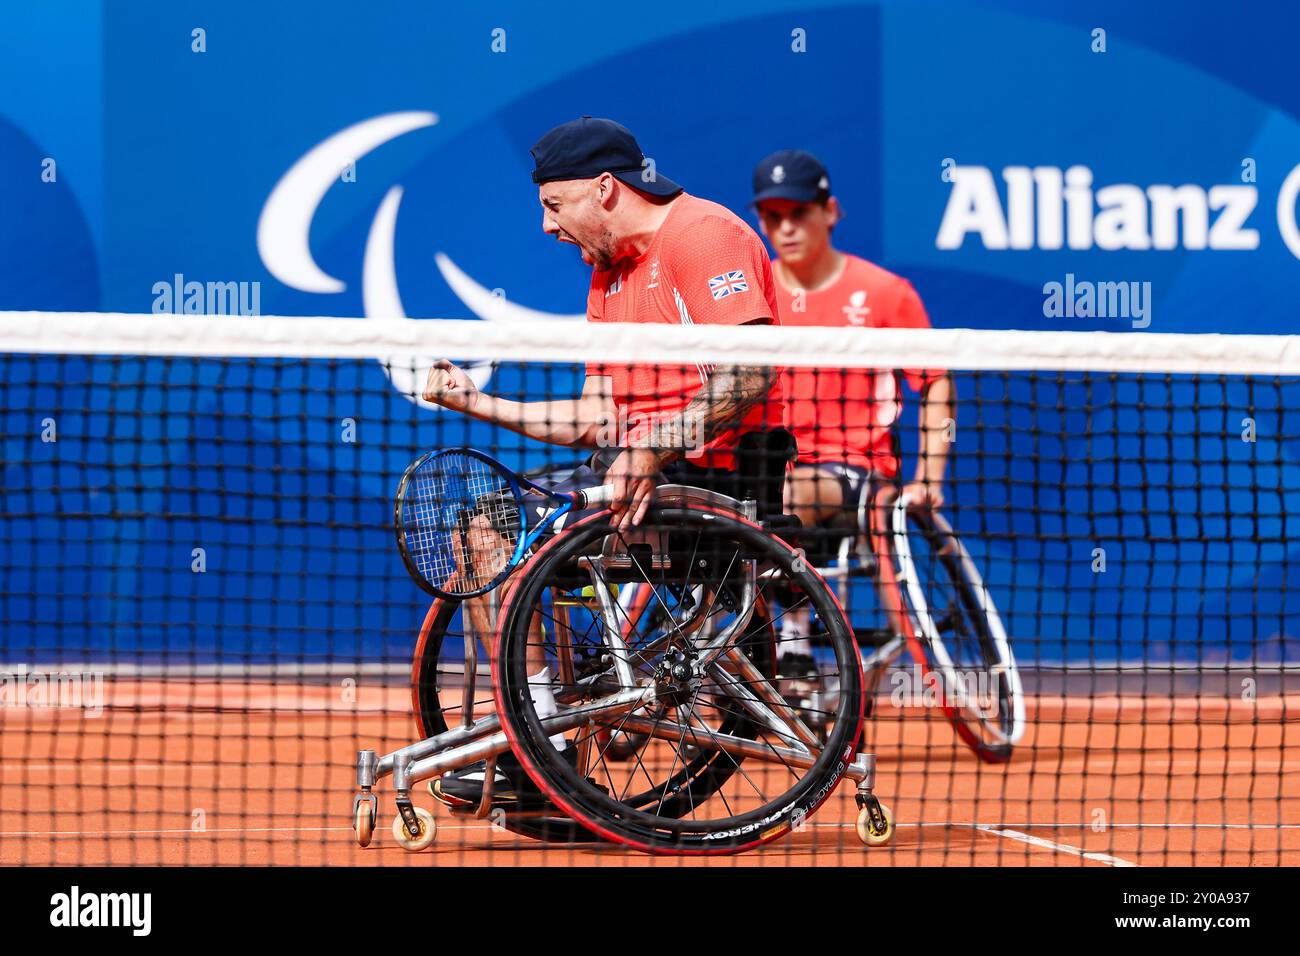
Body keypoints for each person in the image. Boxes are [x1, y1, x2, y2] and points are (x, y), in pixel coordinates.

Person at [422, 117, 792, 808]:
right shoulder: (607, 276)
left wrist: (651, 446)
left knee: (503, 531)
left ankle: (539, 745)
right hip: (638, 480)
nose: (546, 227)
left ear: (605, 188)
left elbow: (751, 371)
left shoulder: (704, 237)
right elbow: (595, 418)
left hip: (714, 486)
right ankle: (539, 738)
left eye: (553, 206)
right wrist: (476, 402)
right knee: (483, 526)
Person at [749, 148, 955, 691]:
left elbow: (934, 382)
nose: (786, 227)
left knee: (784, 495)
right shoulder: (753, 295)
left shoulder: (887, 295)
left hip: (857, 475)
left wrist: (929, 476)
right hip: (768, 462)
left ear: (830, 211)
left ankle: (793, 644)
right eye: (773, 217)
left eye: (799, 212)